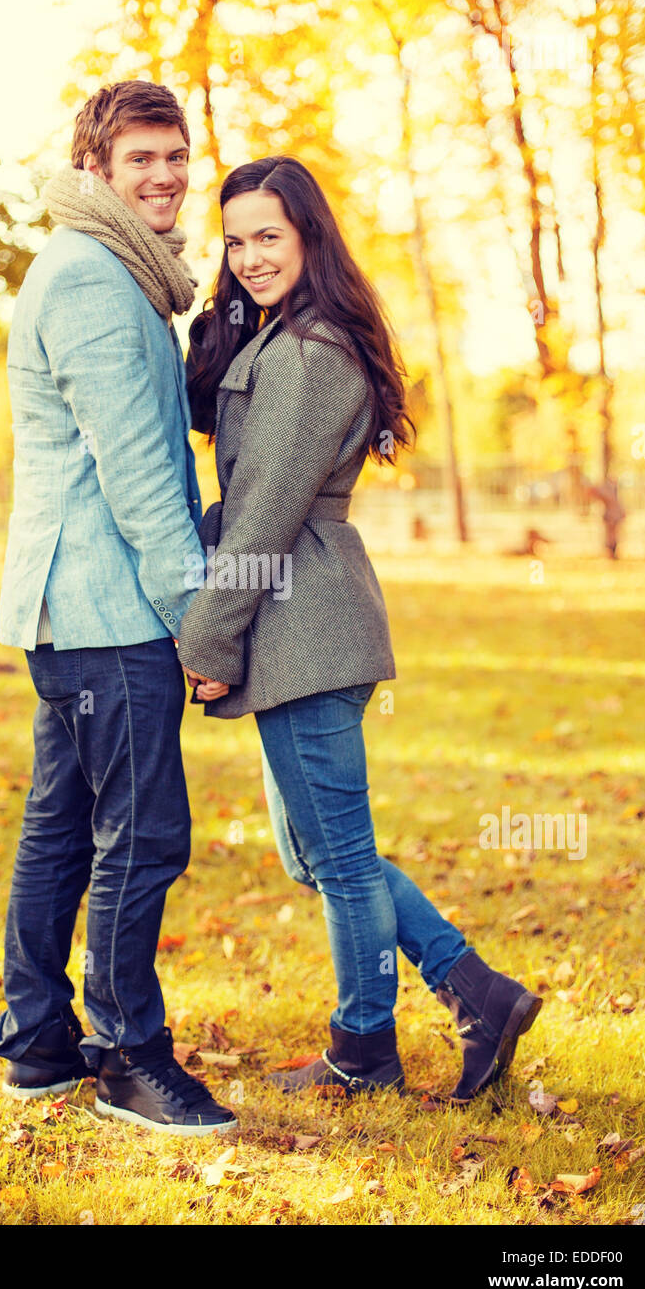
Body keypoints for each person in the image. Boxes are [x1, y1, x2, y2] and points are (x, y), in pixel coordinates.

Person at [178, 156, 542, 1100]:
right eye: (237, 240)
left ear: (307, 237)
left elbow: (262, 512)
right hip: (298, 627)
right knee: (318, 855)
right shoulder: (276, 336)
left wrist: (207, 640)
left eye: (270, 237)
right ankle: (476, 991)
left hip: (305, 626)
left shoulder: (309, 353)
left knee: (337, 860)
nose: (251, 257)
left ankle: (365, 1048)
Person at [0, 80, 236, 1135]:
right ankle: (130, 1057)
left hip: (73, 609)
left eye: (176, 156)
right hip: (108, 610)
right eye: (140, 158)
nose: (165, 175)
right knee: (143, 833)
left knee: (61, 828)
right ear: (94, 167)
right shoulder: (94, 279)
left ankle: (38, 1040)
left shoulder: (113, 272)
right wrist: (196, 617)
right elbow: (138, 473)